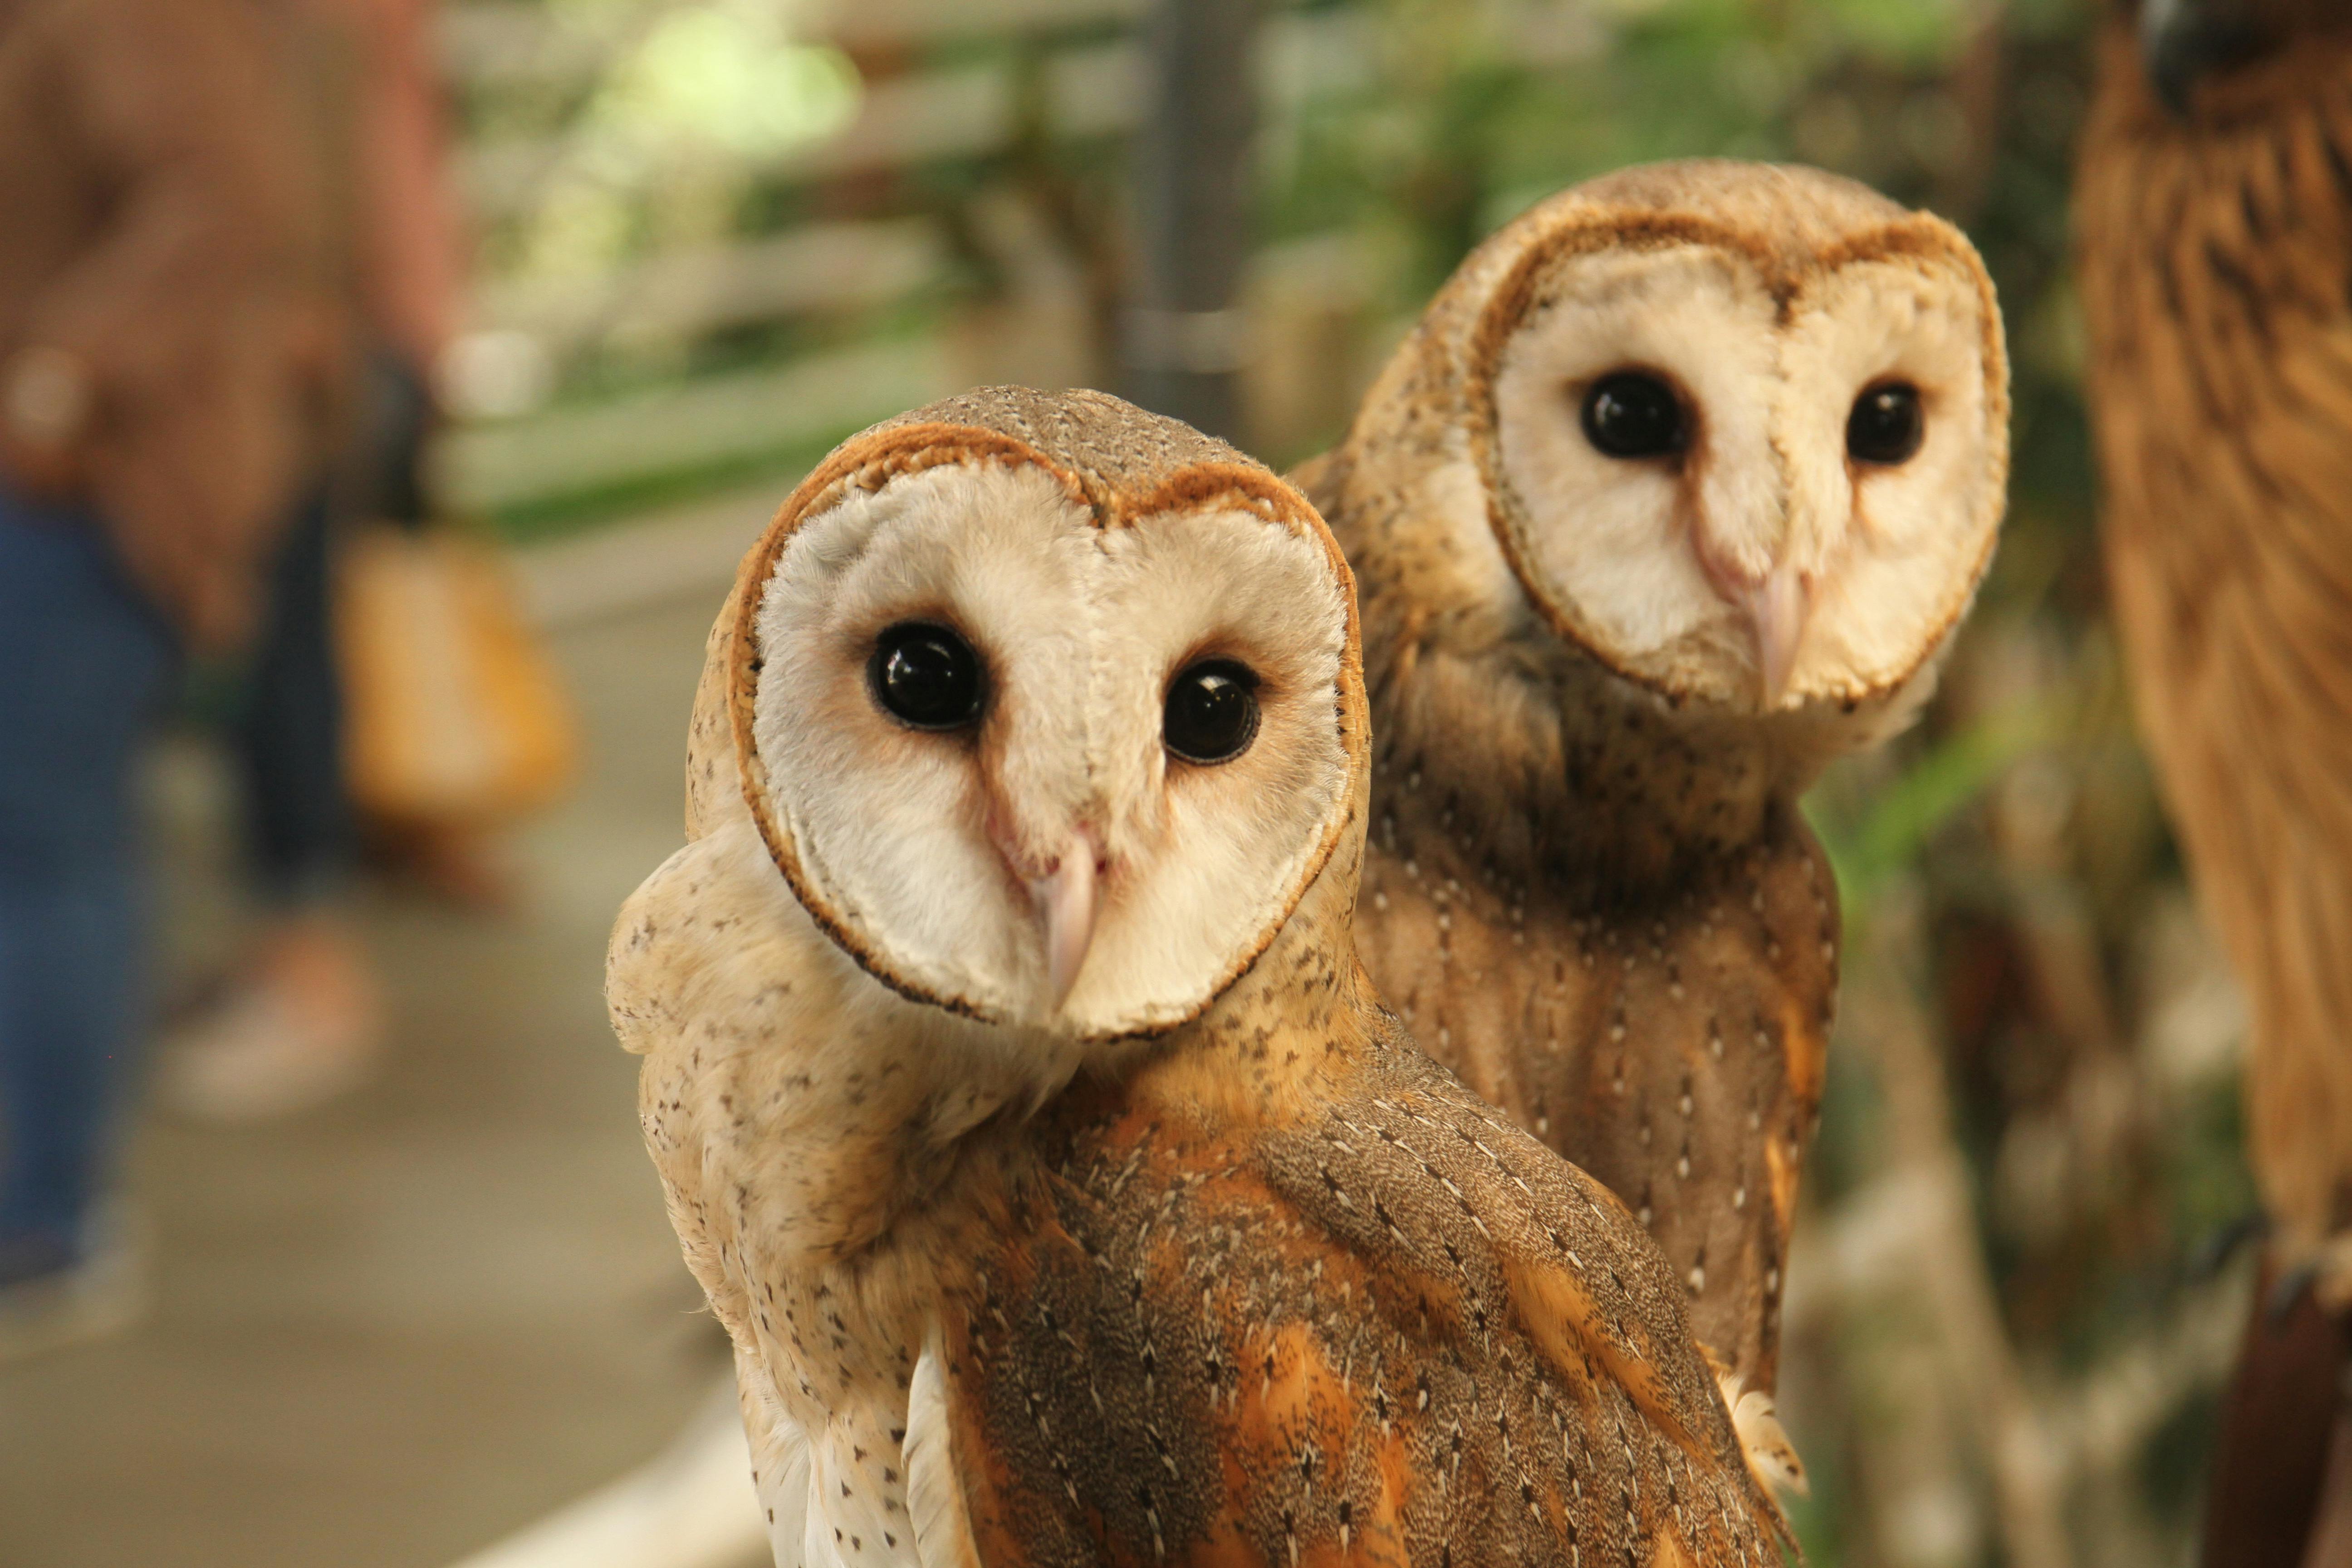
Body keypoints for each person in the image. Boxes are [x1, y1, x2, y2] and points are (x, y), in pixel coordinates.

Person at [0, 0, 342, 1350]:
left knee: (49, 836)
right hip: (69, 485)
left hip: (98, 493)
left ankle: (54, 1219)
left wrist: (68, 374)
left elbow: (238, 197)